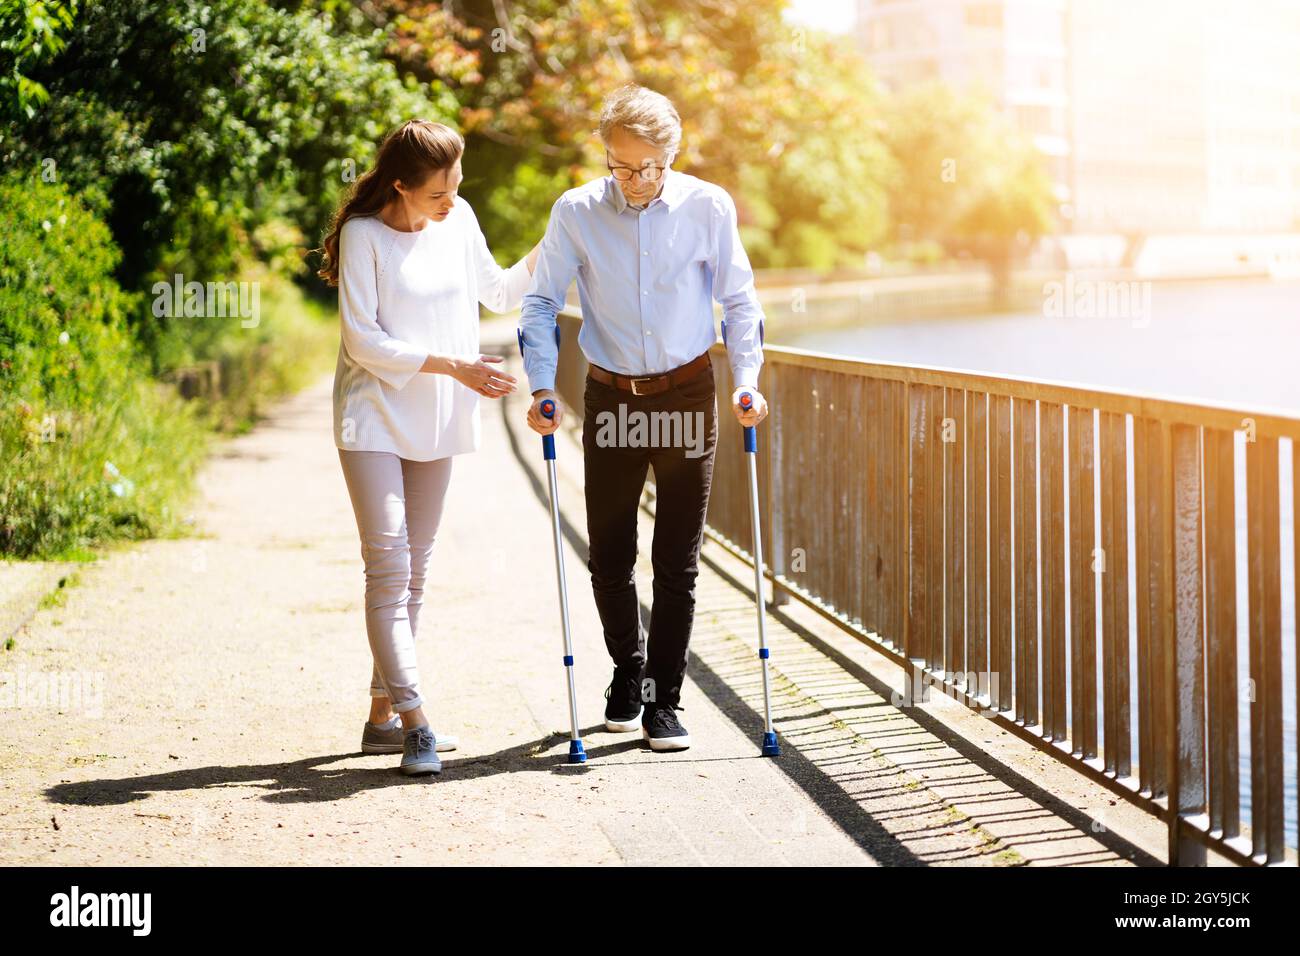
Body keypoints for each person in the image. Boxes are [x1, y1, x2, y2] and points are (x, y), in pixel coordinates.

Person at [519, 84, 769, 752]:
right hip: (612, 399)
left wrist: (747, 380)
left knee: (676, 563)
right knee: (609, 556)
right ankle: (627, 675)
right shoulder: (575, 211)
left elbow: (740, 302)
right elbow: (541, 303)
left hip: (688, 393)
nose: (637, 181)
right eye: (623, 166)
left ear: (671, 155)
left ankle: (664, 699)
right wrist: (542, 385)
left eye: (651, 167)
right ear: (606, 155)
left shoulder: (707, 206)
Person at [318, 119, 539, 775]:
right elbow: (364, 341)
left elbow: (497, 292)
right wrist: (458, 366)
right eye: (437, 195)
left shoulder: (459, 217)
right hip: (372, 415)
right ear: (401, 187)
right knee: (388, 569)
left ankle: (380, 717)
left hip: (436, 416)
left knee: (416, 573)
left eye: (455, 189)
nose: (450, 204)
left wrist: (555, 245)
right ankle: (417, 723)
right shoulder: (365, 237)